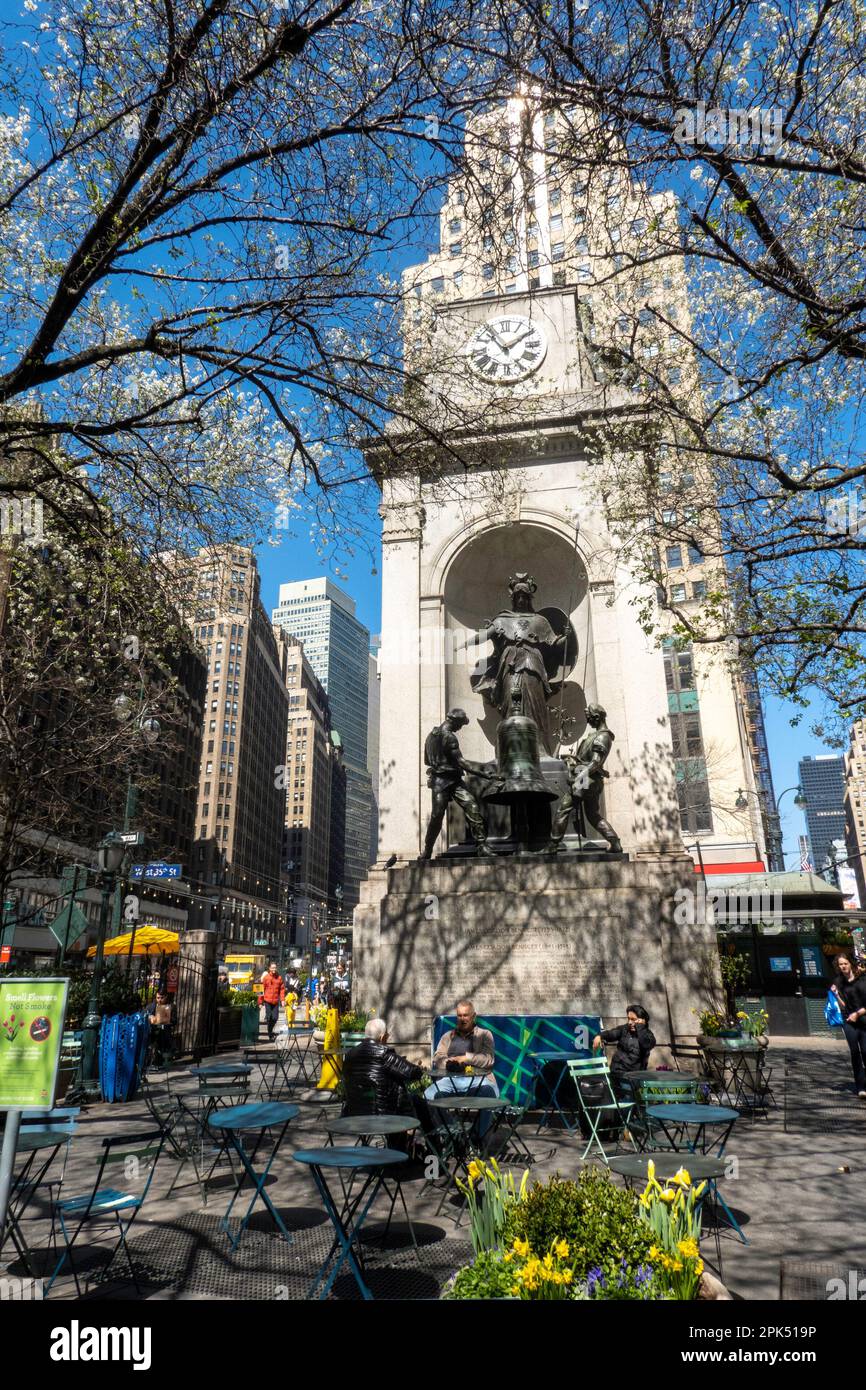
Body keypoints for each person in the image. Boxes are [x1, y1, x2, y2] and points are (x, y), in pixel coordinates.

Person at [342, 1017, 424, 1123]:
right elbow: (413, 1072)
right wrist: (420, 1068)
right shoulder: (384, 1054)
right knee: (420, 1103)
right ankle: (434, 1138)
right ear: (382, 1037)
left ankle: (404, 1137)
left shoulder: (349, 1055)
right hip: (384, 1112)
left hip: (354, 1111)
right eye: (387, 1036)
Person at [427, 999, 497, 1098]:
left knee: (490, 1092)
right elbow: (438, 1058)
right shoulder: (447, 1036)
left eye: (465, 1015)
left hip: (477, 1079)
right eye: (459, 1016)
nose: (462, 1019)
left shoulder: (485, 1035)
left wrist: (465, 1058)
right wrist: (450, 1063)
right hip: (450, 1079)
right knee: (429, 1095)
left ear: (473, 1016)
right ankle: (447, 1114)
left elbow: (488, 1059)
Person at [831, 954, 866, 1097]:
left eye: (845, 963)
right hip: (849, 1021)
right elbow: (843, 1006)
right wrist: (836, 995)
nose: (843, 966)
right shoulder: (839, 982)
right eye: (840, 964)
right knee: (854, 1053)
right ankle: (861, 1086)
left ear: (850, 964)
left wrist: (857, 1014)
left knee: (865, 1051)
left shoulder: (862, 980)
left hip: (864, 1020)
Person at [593, 1004, 656, 1082]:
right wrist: (600, 1036)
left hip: (636, 1076)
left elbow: (645, 1044)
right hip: (618, 1072)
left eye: (633, 1019)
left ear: (643, 1021)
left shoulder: (649, 1036)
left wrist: (640, 1027)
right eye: (628, 1019)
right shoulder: (624, 1029)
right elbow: (611, 1034)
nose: (629, 1022)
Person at [145, 991, 173, 1068]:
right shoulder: (151, 1007)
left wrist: (167, 1020)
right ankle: (151, 1062)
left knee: (163, 1045)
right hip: (152, 1030)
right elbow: (145, 1015)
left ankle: (160, 1061)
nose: (159, 1000)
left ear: (166, 997)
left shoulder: (170, 1007)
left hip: (164, 1031)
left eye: (161, 998)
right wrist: (150, 1018)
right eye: (158, 998)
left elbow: (174, 1020)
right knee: (150, 1045)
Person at [259, 962, 286, 1043]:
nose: (274, 969)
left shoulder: (279, 978)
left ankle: (270, 1031)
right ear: (269, 969)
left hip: (275, 1001)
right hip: (267, 1000)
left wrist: (282, 1000)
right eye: (272, 968)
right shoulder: (266, 978)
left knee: (275, 1018)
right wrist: (260, 1002)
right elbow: (261, 990)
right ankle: (270, 1034)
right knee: (269, 1017)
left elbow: (282, 989)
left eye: (275, 968)